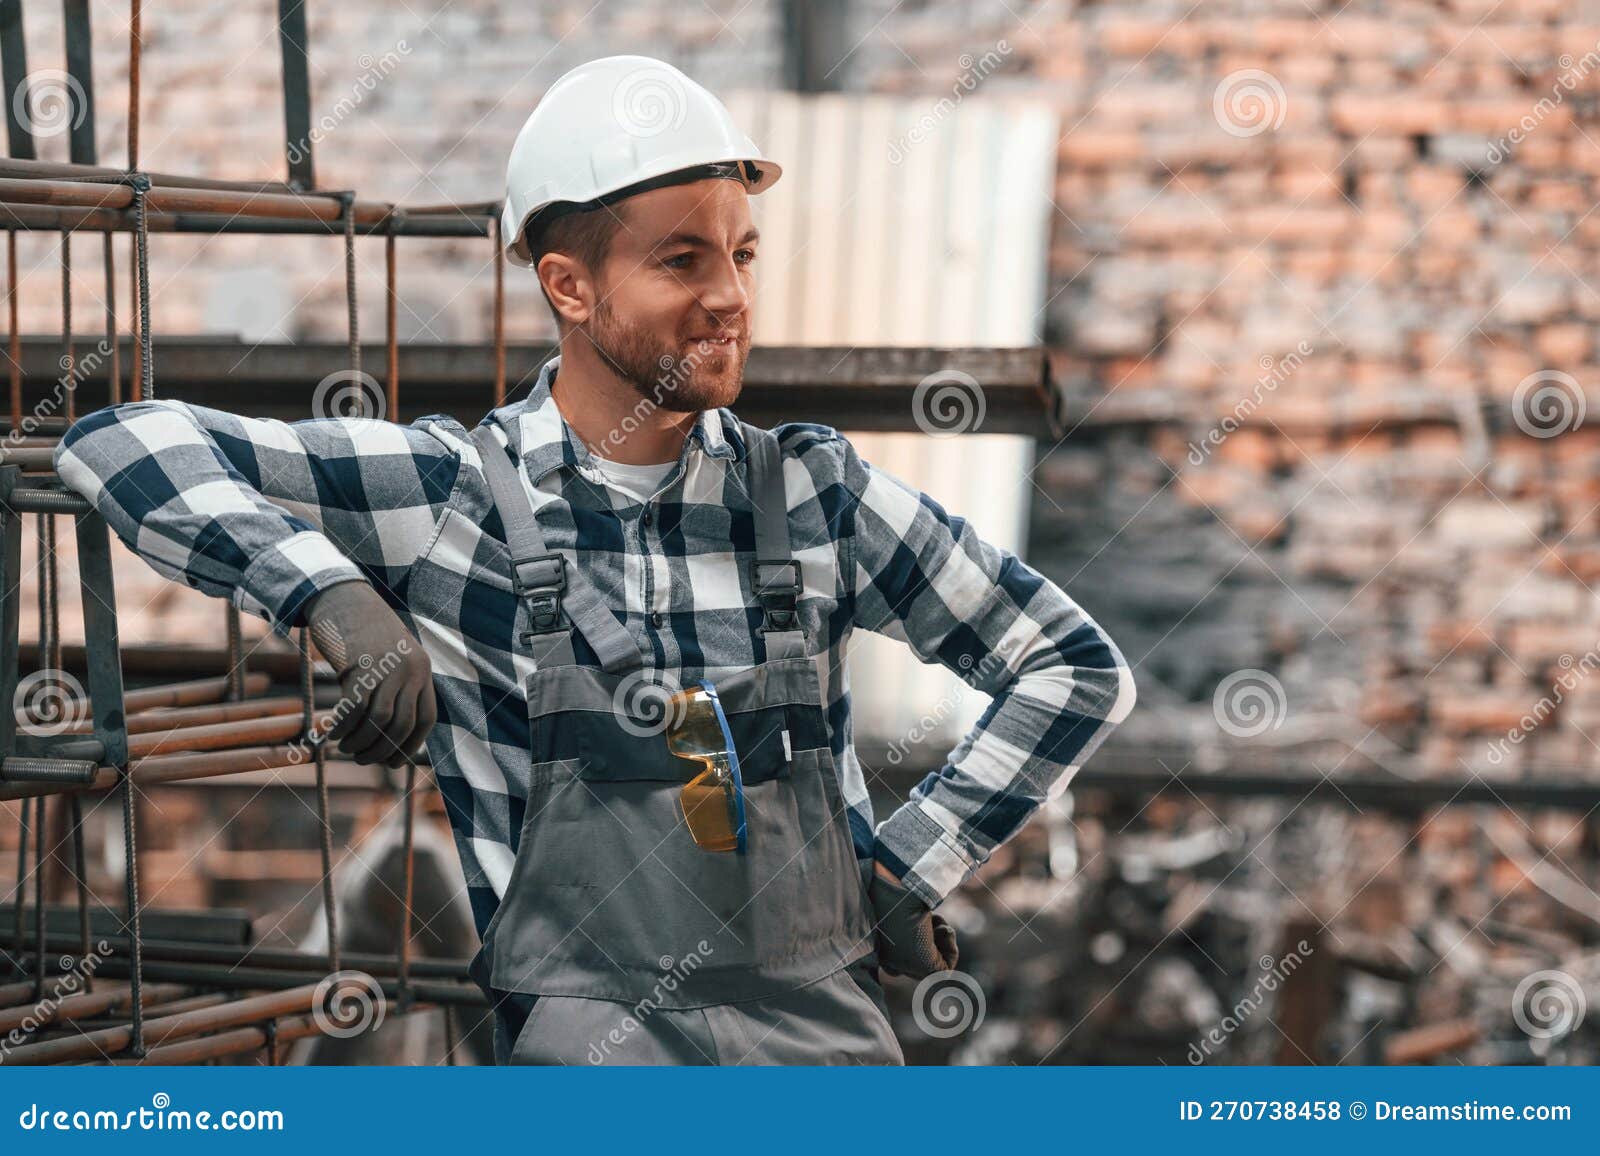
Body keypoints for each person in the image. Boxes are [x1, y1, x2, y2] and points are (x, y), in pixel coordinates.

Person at [53, 54, 1137, 1065]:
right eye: (681, 260)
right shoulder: (454, 503)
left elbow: (1072, 666)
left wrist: (912, 861)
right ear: (569, 287)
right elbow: (121, 441)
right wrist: (328, 590)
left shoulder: (815, 497)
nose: (731, 295)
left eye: (743, 253)